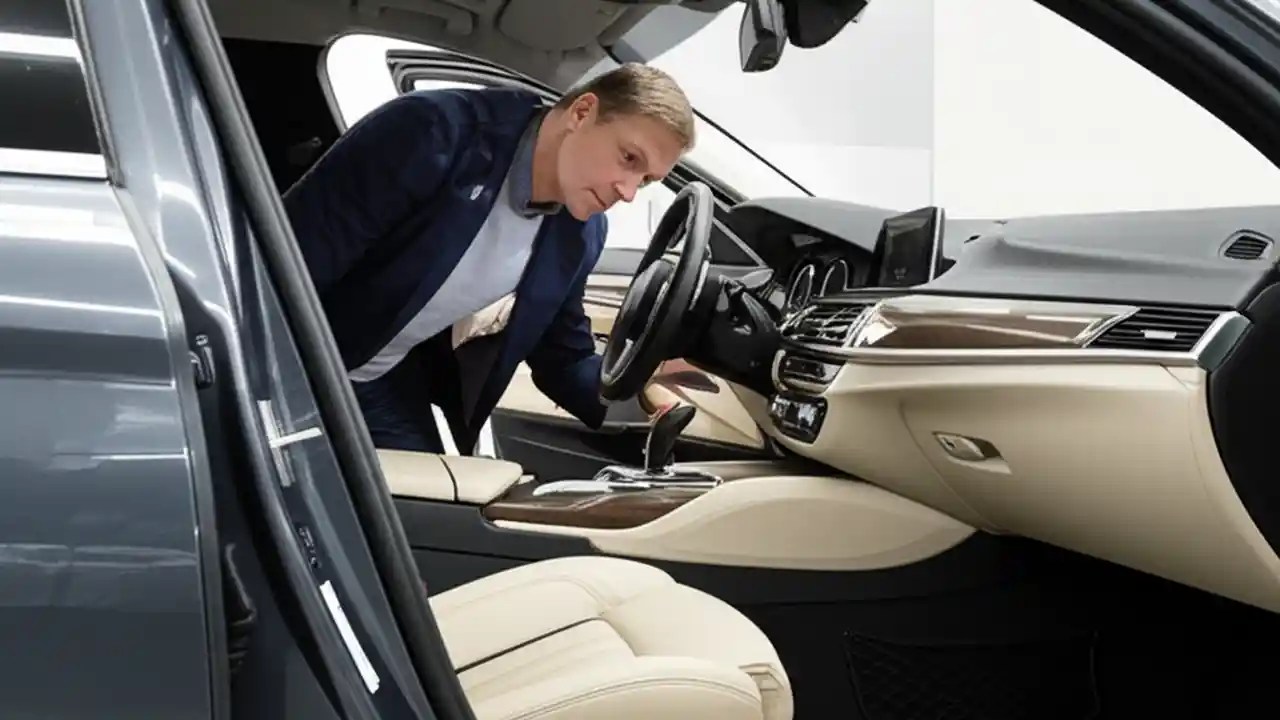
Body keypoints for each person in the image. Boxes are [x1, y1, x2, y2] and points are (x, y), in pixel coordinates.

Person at [283, 63, 694, 455]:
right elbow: (285, 272)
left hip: (375, 378)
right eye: (629, 159)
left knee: (433, 513)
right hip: (292, 353)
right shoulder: (433, 133)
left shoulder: (580, 231)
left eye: (645, 181)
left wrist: (643, 372)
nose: (627, 191)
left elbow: (562, 361)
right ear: (582, 112)